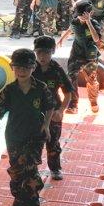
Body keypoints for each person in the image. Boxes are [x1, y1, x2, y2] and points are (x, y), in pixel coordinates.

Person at [0, 48, 57, 206]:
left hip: (35, 135)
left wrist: (46, 125)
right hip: (14, 136)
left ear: (33, 67)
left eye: (26, 68)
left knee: (30, 169)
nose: (21, 71)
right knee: (17, 171)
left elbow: (50, 106)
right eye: (18, 67)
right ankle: (19, 199)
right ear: (12, 68)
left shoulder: (40, 88)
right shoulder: (9, 90)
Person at [30, 35, 76, 180]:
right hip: (34, 112)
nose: (42, 56)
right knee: (33, 142)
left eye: (46, 53)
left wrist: (61, 111)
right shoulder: (30, 68)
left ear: (53, 52)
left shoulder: (57, 70)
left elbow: (68, 93)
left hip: (53, 110)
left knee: (53, 143)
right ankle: (32, 169)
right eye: (39, 53)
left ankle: (55, 169)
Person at [59, 0, 104, 113]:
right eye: (79, 15)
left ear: (90, 13)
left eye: (83, 16)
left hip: (90, 55)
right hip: (76, 53)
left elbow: (96, 39)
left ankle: (93, 101)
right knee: (71, 76)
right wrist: (61, 39)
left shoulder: (94, 23)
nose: (80, 18)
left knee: (91, 79)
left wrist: (88, 22)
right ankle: (73, 104)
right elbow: (71, 29)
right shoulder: (75, 21)